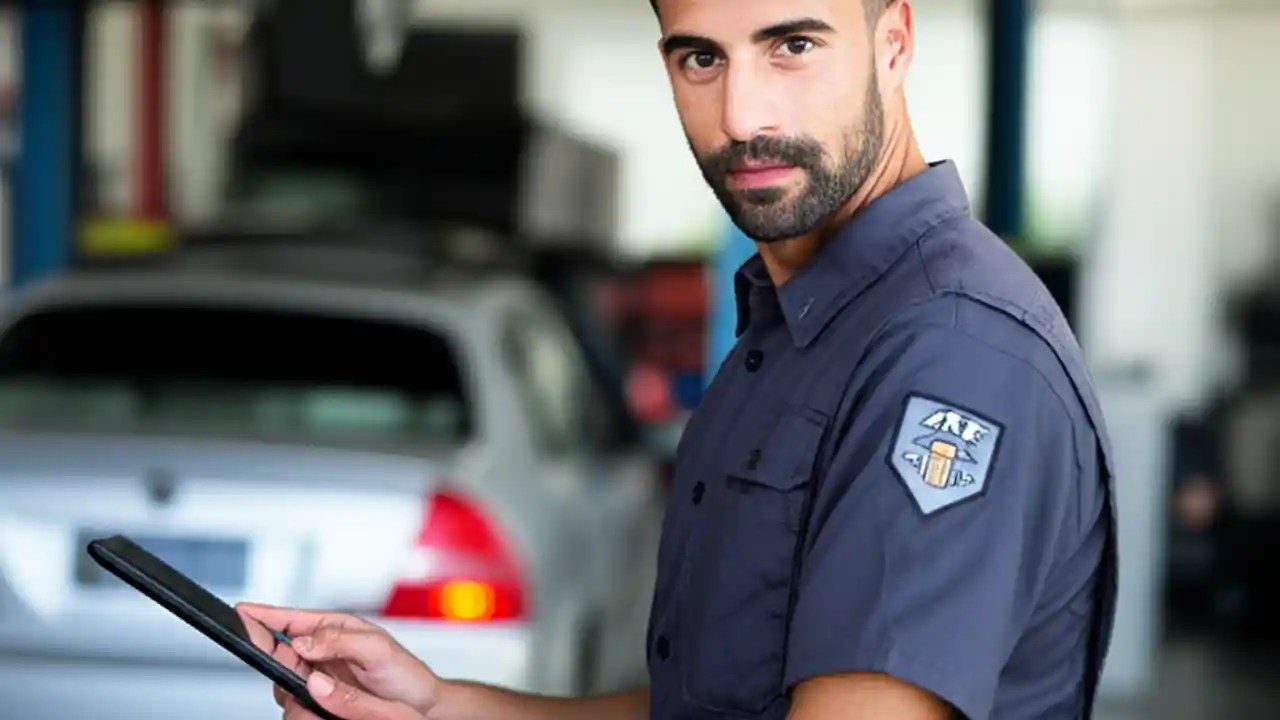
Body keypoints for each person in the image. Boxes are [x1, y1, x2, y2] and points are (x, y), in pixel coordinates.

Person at [238, 0, 1118, 717]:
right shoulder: (796, 330)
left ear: (894, 42)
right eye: (702, 59)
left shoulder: (950, 357)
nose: (742, 117)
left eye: (793, 46)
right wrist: (440, 709)